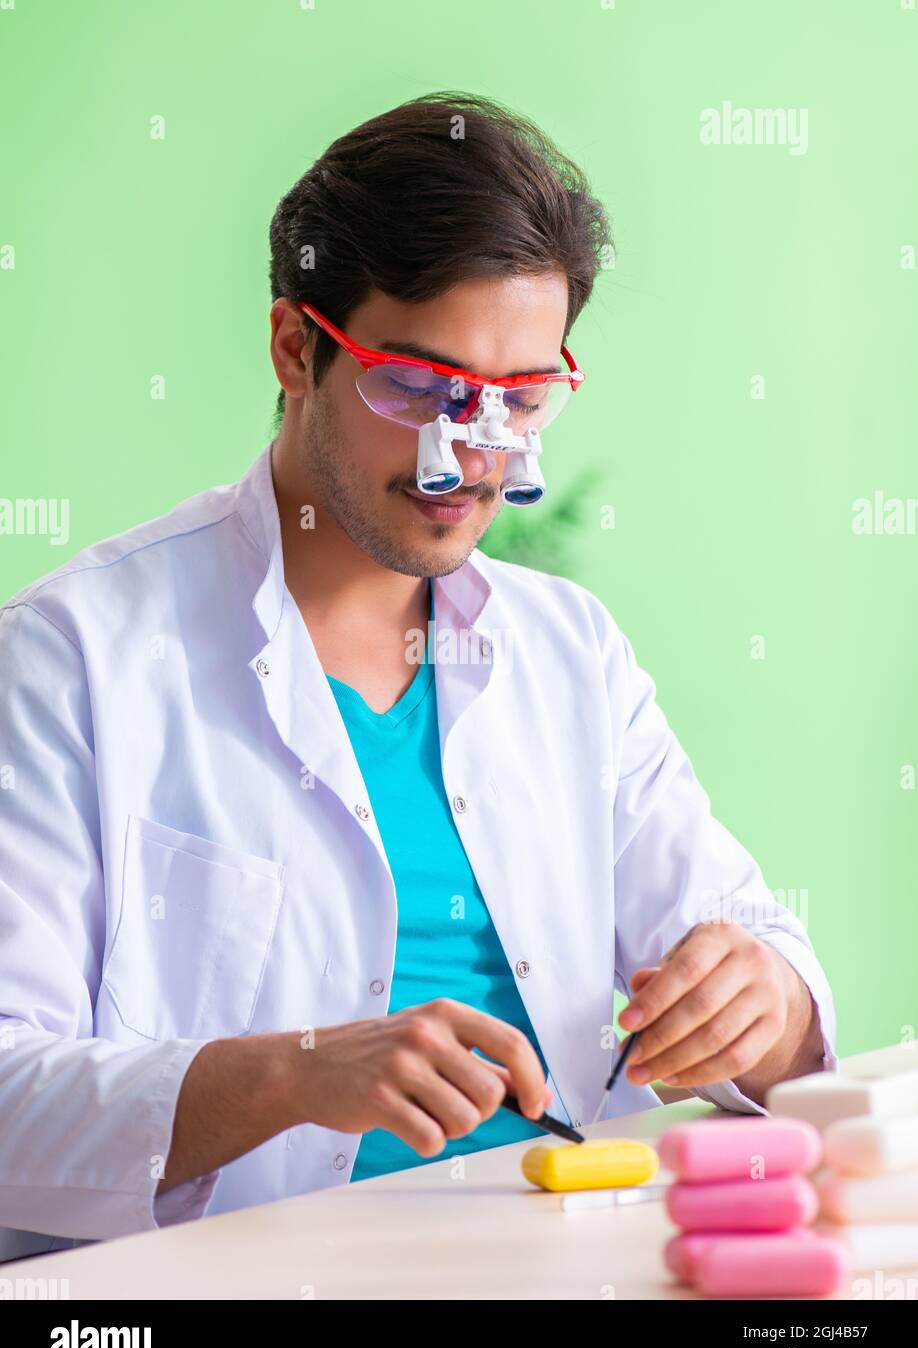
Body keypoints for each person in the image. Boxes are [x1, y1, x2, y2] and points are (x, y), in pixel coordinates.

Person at [0, 92, 835, 1262]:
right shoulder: (73, 657)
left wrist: (765, 998)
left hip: (565, 1259)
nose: (472, 457)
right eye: (420, 388)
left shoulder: (569, 652)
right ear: (298, 346)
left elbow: (753, 956)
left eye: (520, 401)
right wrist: (292, 1074)